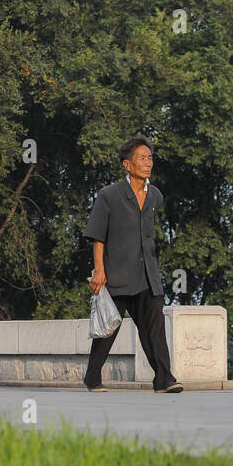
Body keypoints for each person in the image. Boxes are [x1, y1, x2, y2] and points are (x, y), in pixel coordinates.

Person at [83, 136, 183, 394]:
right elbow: (98, 235)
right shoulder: (109, 195)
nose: (148, 162)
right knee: (108, 329)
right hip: (116, 274)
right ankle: (92, 377)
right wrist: (99, 270)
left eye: (150, 157)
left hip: (147, 275)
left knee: (154, 330)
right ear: (128, 165)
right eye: (142, 158)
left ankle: (164, 379)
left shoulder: (155, 196)